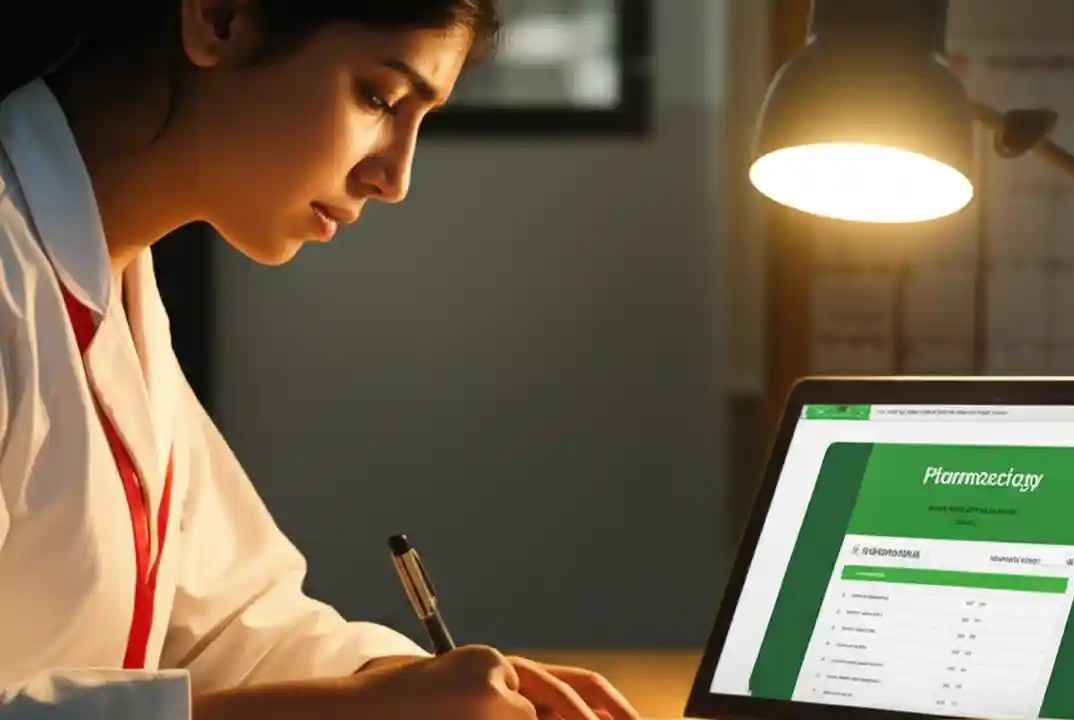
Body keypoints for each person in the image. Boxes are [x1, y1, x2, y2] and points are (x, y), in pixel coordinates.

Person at [0, 1, 642, 719]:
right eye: (380, 97)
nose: (395, 177)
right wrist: (366, 707)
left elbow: (229, 626)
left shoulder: (112, 284)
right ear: (218, 18)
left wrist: (413, 684)